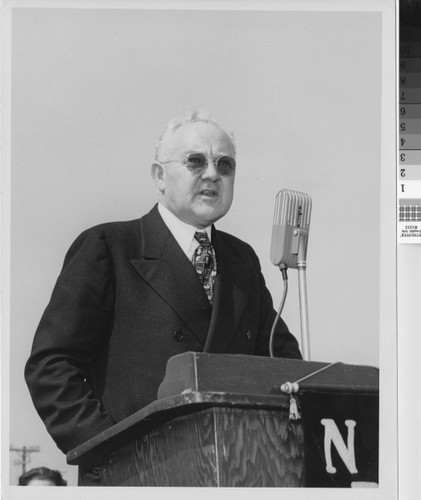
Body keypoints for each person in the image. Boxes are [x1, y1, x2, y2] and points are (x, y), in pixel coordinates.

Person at [25, 109, 301, 485]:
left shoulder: (242, 261)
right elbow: (51, 366)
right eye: (195, 161)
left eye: (225, 164)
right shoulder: (109, 247)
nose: (211, 174)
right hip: (132, 477)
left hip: (233, 474)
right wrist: (112, 449)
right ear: (159, 175)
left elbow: (283, 362)